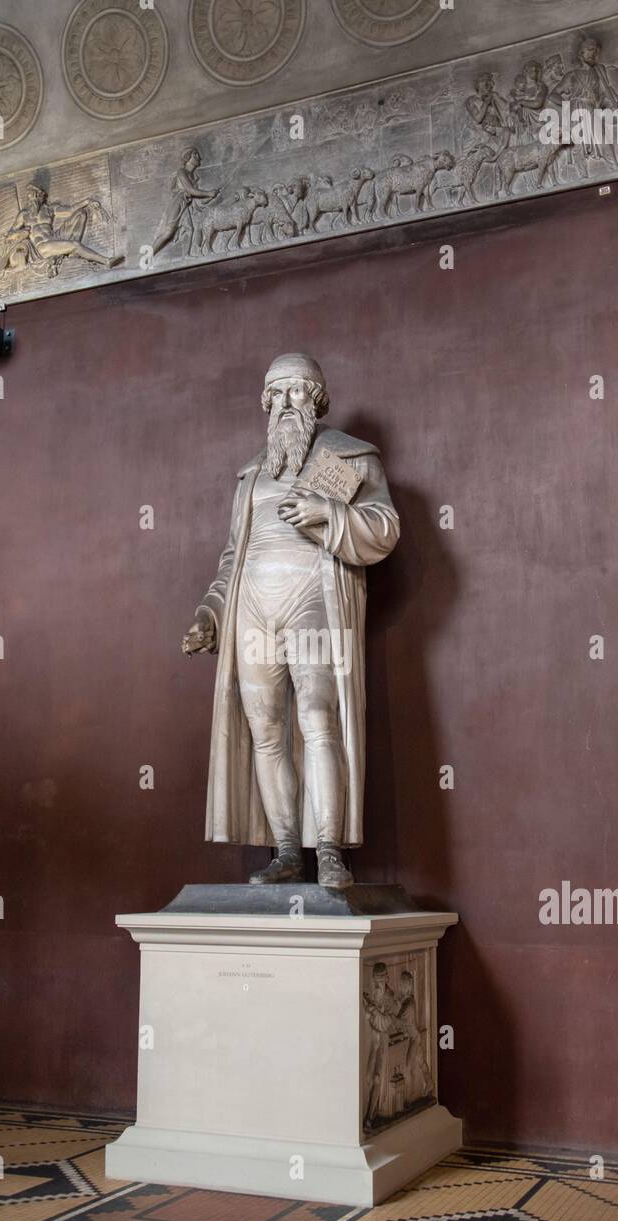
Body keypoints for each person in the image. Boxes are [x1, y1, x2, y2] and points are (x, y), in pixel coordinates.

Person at [182, 353, 399, 888]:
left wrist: (330, 514)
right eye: (274, 395)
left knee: (319, 716)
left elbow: (385, 527)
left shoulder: (344, 457)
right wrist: (210, 612)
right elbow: (233, 557)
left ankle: (327, 849)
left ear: (318, 398)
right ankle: (285, 851)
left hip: (313, 597)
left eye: (297, 392)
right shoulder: (252, 473)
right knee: (265, 729)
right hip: (253, 605)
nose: (284, 403)